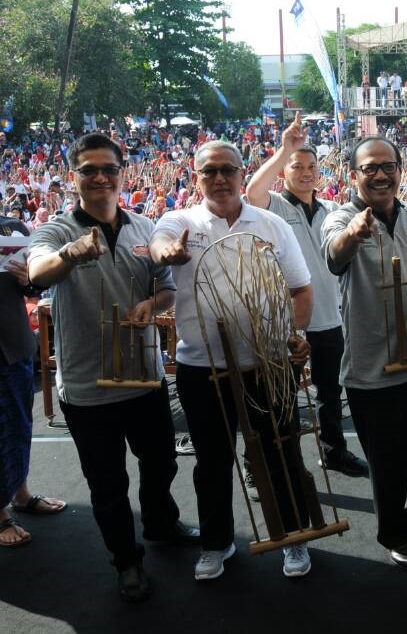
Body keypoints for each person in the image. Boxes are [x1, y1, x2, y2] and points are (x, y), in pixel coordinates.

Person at [27, 133, 196, 602]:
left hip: (144, 378)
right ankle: (127, 561)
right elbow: (38, 270)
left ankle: (161, 524)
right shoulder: (57, 231)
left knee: (161, 463)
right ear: (73, 176)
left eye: (108, 168)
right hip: (88, 386)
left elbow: (167, 289)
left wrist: (150, 304)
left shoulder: (145, 228)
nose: (100, 177)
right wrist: (69, 256)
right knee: (108, 484)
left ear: (123, 173)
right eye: (88, 169)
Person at [150, 140, 315, 581]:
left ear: (244, 174)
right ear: (196, 177)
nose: (220, 179)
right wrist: (167, 252)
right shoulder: (178, 221)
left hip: (269, 364)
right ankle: (217, 543)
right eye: (210, 172)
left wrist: (295, 335)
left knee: (280, 453)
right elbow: (160, 243)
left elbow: (301, 290)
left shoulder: (272, 224)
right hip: (202, 368)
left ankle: (292, 537)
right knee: (212, 462)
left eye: (228, 170)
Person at [323, 137, 407, 572]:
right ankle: (396, 533)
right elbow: (334, 255)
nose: (380, 174)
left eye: (388, 165)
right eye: (369, 168)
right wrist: (353, 234)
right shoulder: (341, 216)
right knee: (389, 463)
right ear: (354, 175)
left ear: (401, 169)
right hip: (374, 369)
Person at [245, 112, 369, 479]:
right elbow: (253, 191)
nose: (305, 172)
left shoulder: (333, 210)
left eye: (311, 166)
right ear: (284, 172)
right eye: (297, 166)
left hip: (330, 318)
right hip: (289, 322)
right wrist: (285, 150)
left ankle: (334, 452)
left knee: (330, 395)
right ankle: (264, 465)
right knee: (278, 400)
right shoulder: (275, 208)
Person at [1, 215, 65, 550]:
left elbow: (35, 285)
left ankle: (20, 492)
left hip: (13, 344)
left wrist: (28, 279)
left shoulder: (12, 229)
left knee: (19, 422)